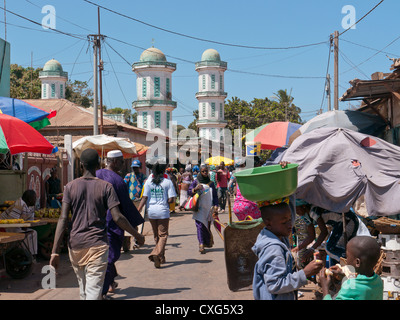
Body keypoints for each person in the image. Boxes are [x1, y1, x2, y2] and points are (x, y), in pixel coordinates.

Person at [49, 148, 145, 300]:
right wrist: (137, 234)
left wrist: (54, 251)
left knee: (85, 291)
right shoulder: (106, 187)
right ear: (98, 164)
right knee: (92, 293)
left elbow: (63, 219)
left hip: (75, 246)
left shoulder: (70, 187)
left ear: (81, 165)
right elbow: (118, 217)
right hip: (97, 245)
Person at [96, 150, 145, 299]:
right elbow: (125, 207)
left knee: (102, 258)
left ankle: (109, 284)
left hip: (94, 224)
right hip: (111, 224)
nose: (124, 165)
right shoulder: (118, 181)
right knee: (110, 258)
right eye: (122, 162)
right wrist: (135, 229)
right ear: (115, 162)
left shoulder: (96, 175)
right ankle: (102, 292)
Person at [252, 200, 324, 300]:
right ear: (268, 223)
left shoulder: (275, 235)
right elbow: (275, 284)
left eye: (290, 219)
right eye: (284, 222)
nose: (290, 225)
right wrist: (305, 273)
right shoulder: (274, 249)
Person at [294, 204, 371, 265]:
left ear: (303, 206)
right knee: (335, 250)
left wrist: (312, 249)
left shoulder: (313, 211)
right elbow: (311, 236)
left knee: (331, 248)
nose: (297, 212)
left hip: (347, 221)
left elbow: (324, 232)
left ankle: (354, 262)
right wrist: (297, 248)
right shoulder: (305, 216)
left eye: (297, 209)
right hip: (339, 224)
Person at [137, 161, 176, 268]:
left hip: (151, 212)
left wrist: (138, 210)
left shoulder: (148, 182)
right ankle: (156, 253)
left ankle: (160, 258)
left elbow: (144, 198)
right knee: (163, 235)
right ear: (164, 171)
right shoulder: (168, 182)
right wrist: (166, 200)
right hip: (163, 211)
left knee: (156, 236)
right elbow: (171, 200)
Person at [319, 236, 383, 300]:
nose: (346, 259)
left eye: (347, 256)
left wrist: (325, 288)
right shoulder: (378, 281)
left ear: (357, 262)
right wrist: (344, 276)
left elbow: (353, 287)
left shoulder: (349, 287)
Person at [188, 164, 219, 254]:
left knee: (206, 227)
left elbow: (215, 196)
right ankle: (201, 244)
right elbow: (189, 192)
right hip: (199, 209)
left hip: (208, 209)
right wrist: (195, 189)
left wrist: (216, 206)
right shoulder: (196, 182)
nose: (205, 173)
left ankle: (206, 242)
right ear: (200, 172)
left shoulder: (211, 183)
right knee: (199, 226)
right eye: (203, 171)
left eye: (206, 171)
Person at [0, 189, 38, 256]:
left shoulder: (31, 207)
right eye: (34, 198)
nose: (36, 200)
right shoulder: (19, 205)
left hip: (17, 227)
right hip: (6, 227)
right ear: (29, 199)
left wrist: (25, 227)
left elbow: (30, 221)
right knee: (26, 235)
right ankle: (25, 254)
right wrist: (23, 227)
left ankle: (31, 255)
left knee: (34, 233)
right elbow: (11, 222)